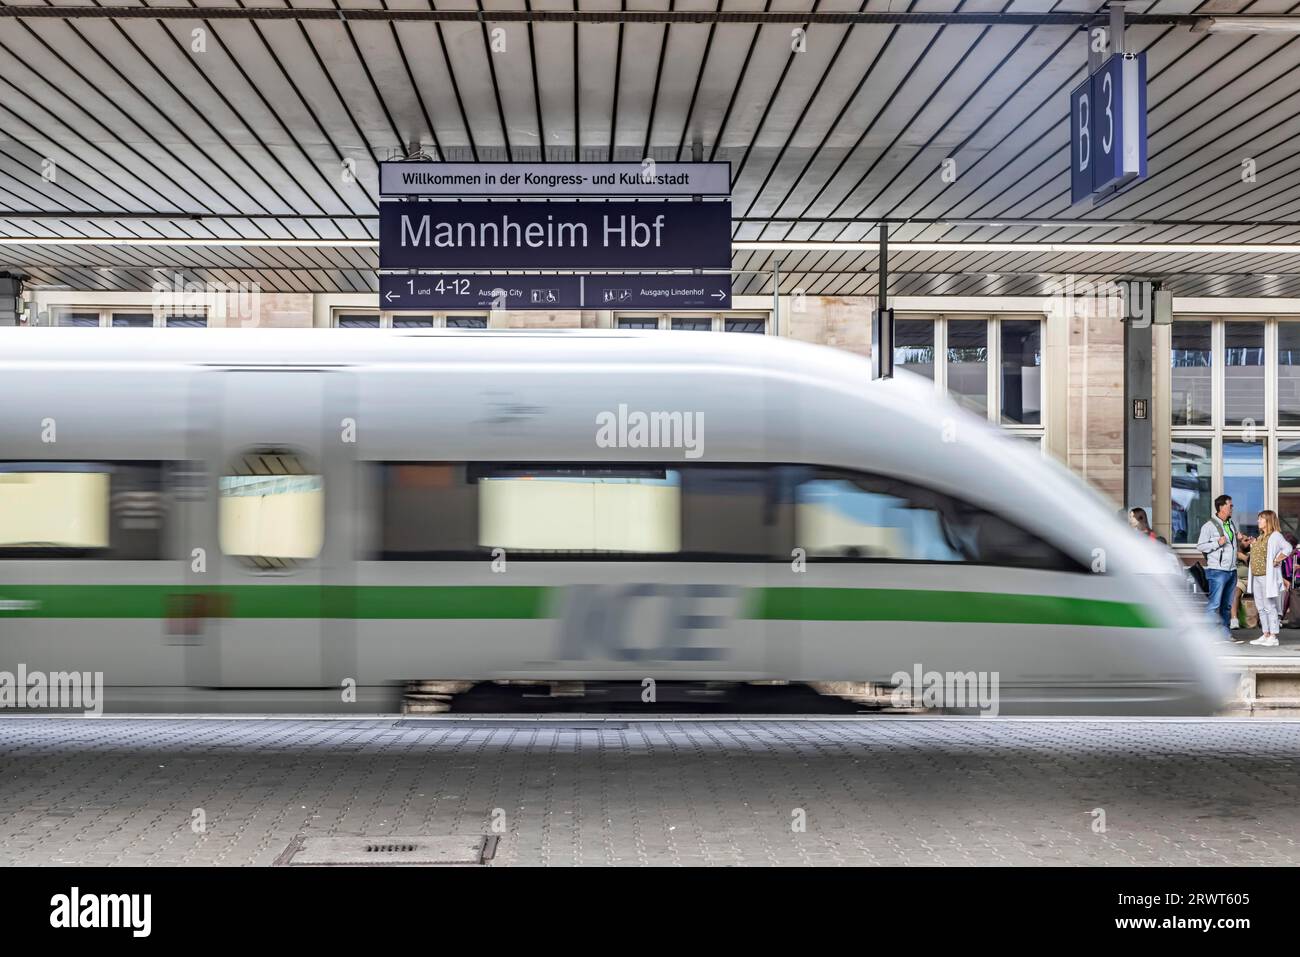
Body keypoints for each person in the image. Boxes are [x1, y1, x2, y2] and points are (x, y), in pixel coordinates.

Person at [1197, 495, 1251, 637]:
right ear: (1221, 507)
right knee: (1214, 604)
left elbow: (1232, 546)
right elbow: (1201, 546)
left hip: (1231, 571)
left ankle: (1225, 635)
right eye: (1230, 505)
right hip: (1217, 571)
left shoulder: (1231, 524)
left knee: (1226, 605)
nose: (1232, 508)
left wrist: (1240, 538)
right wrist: (1217, 543)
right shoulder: (1208, 526)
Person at [1247, 510, 1293, 648]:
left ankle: (1273, 636)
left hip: (1267, 577)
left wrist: (1278, 559)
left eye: (1261, 519)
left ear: (1268, 521)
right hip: (1257, 576)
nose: (1258, 521)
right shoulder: (1261, 537)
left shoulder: (1275, 536)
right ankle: (1266, 633)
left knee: (1269, 606)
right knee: (1260, 607)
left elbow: (1288, 548)